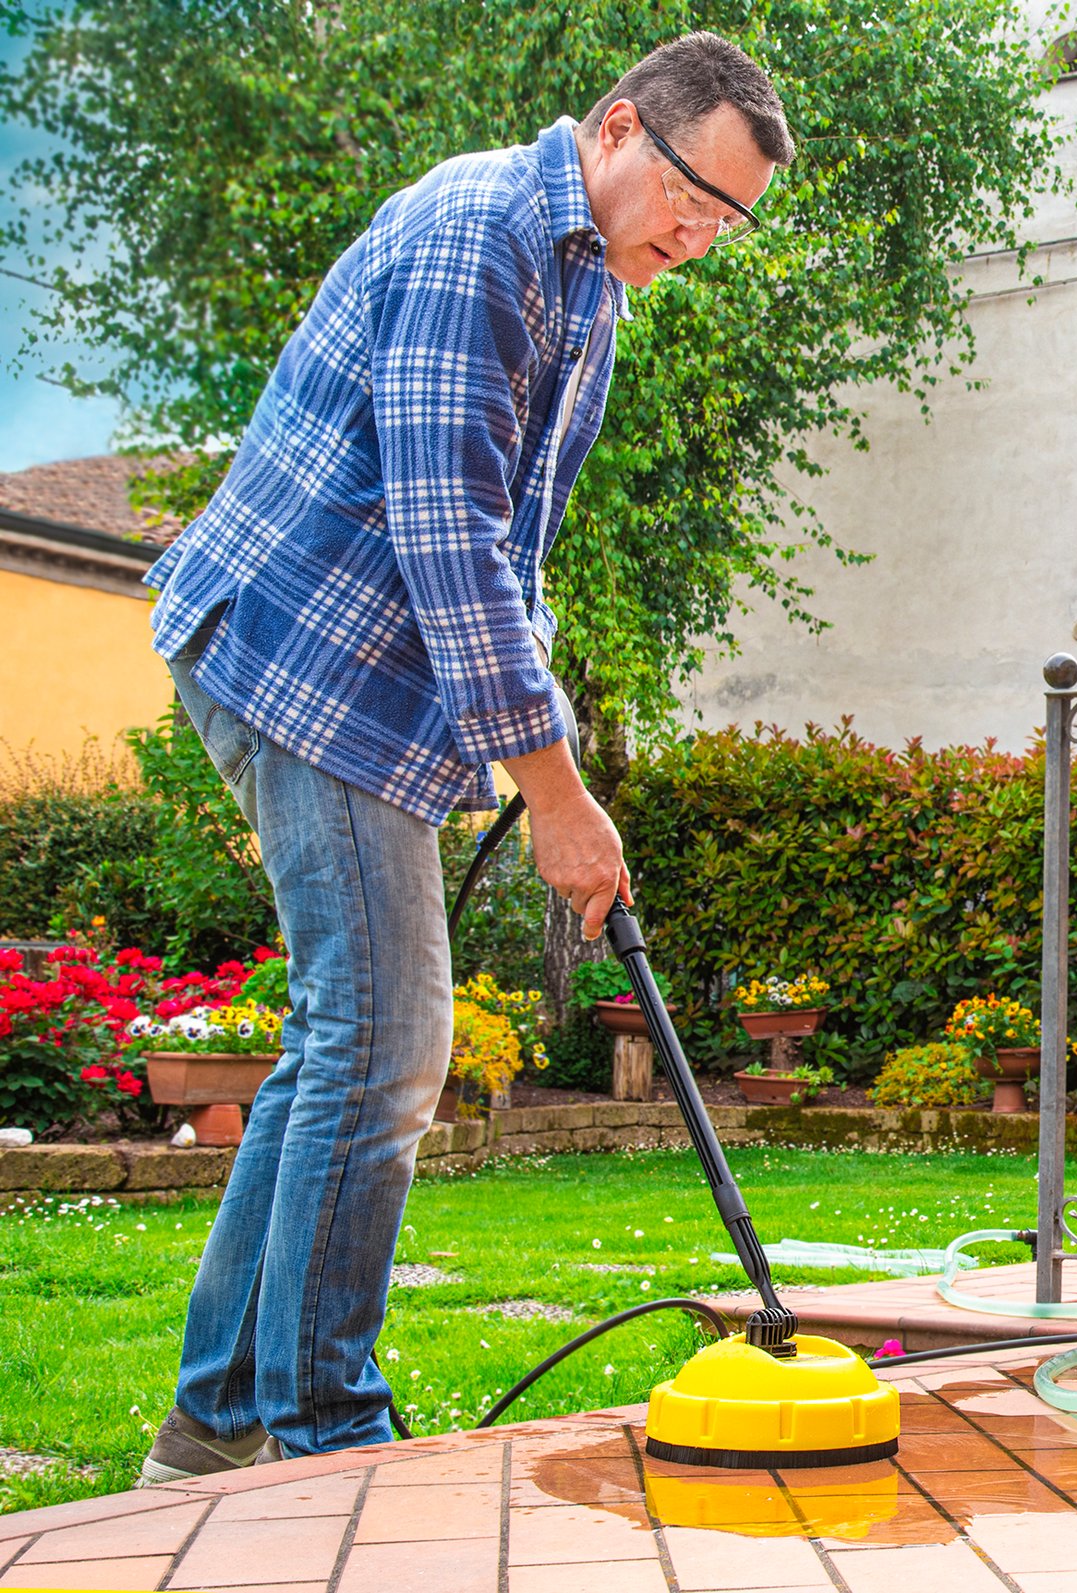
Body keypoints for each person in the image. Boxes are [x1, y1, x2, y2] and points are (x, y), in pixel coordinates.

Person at [135, 33, 791, 1482]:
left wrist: (528, 767)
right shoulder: (478, 236)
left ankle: (212, 1431)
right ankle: (324, 1432)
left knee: (337, 1053)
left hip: (363, 683)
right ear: (622, 128)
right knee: (387, 1043)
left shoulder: (590, 292)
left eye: (728, 221)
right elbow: (450, 544)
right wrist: (555, 795)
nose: (700, 233)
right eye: (694, 194)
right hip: (303, 661)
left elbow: (516, 553)